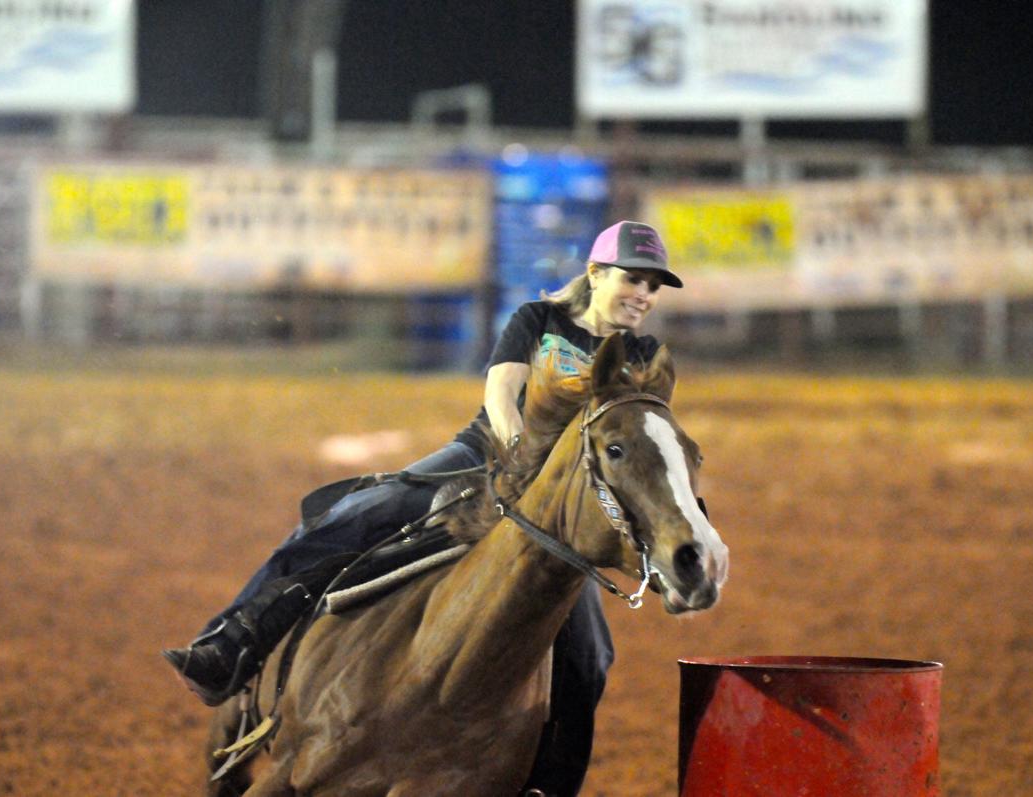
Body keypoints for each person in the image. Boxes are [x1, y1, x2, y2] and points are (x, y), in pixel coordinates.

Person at [162, 220, 683, 796]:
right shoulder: (539, 321)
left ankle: (549, 785)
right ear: (595, 274)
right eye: (633, 278)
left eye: (653, 287)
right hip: (481, 454)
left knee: (590, 659)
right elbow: (500, 394)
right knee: (356, 514)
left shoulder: (643, 355)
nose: (643, 294)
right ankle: (234, 640)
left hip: (560, 509)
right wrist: (516, 455)